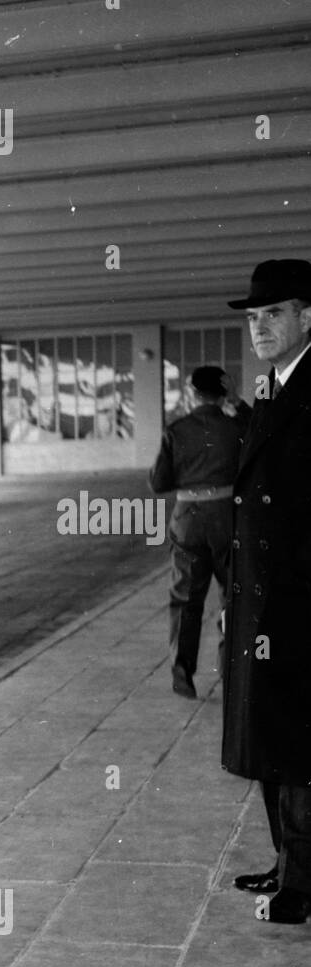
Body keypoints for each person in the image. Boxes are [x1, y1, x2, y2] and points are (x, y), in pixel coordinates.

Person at [222, 259, 311, 925]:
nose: (257, 326)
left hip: (299, 603)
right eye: (252, 317)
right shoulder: (272, 389)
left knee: (297, 745)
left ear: (307, 316)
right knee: (269, 743)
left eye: (271, 313)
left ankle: (301, 886)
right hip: (262, 603)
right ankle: (287, 866)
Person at [149, 365, 245, 699]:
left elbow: (158, 483)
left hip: (187, 519)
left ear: (191, 393)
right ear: (223, 394)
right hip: (228, 517)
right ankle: (231, 671)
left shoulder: (176, 429)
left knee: (185, 598)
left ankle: (182, 673)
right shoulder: (237, 428)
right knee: (233, 596)